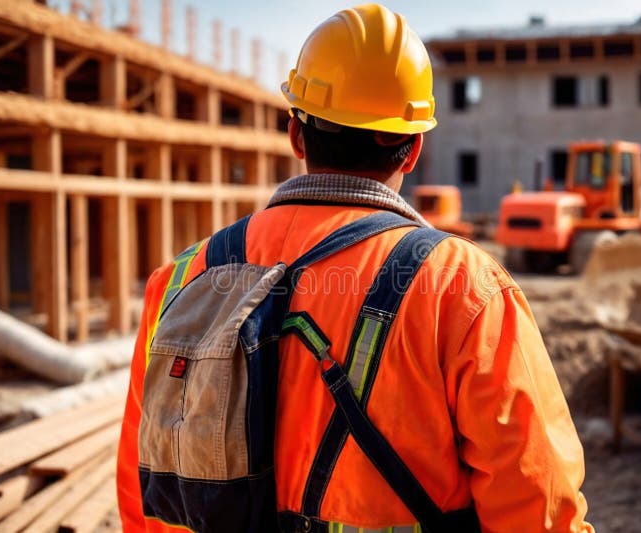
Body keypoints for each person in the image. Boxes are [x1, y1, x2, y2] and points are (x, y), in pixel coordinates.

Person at [117, 5, 593, 532]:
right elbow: (537, 501)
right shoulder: (461, 288)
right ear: (412, 150)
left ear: (296, 136)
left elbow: (145, 487)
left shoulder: (180, 280)